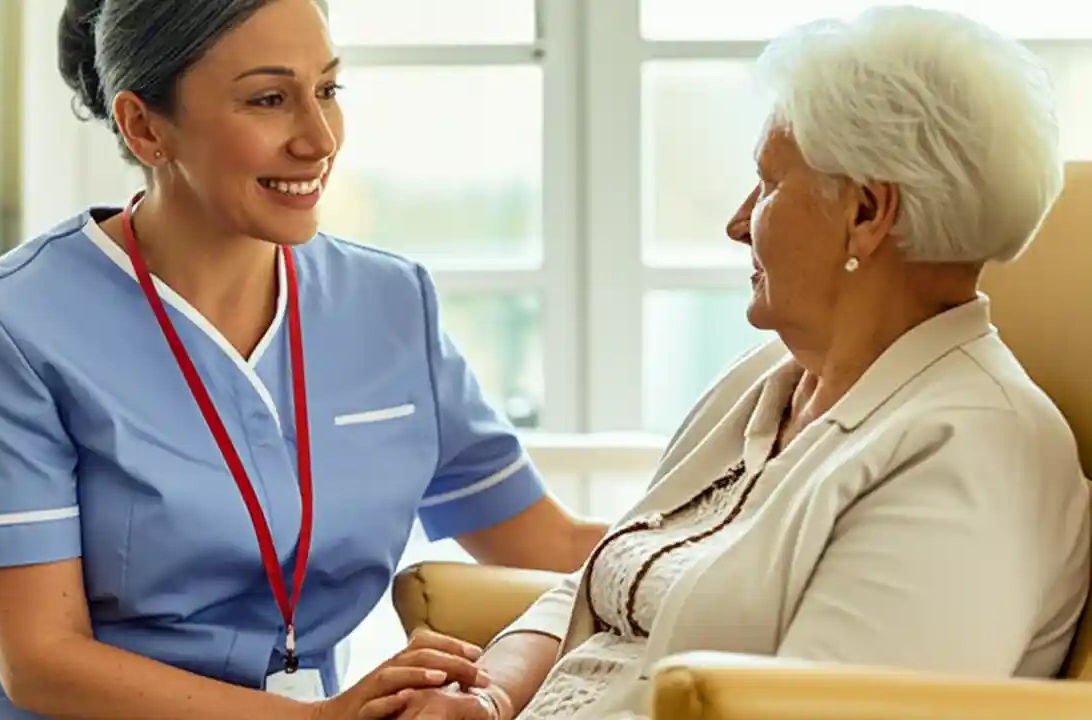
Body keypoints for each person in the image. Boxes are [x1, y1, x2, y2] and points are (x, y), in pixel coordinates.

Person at [0, 1, 608, 717]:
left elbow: (547, 540)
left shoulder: (391, 304)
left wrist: (714, 540)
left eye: (328, 91)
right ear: (145, 126)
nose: (319, 138)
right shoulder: (8, 325)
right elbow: (41, 663)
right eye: (269, 100)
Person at [396, 6, 1092, 720]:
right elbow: (600, 580)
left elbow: (810, 713)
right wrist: (486, 697)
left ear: (866, 213)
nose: (736, 222)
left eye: (768, 185)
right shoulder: (767, 379)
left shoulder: (972, 456)